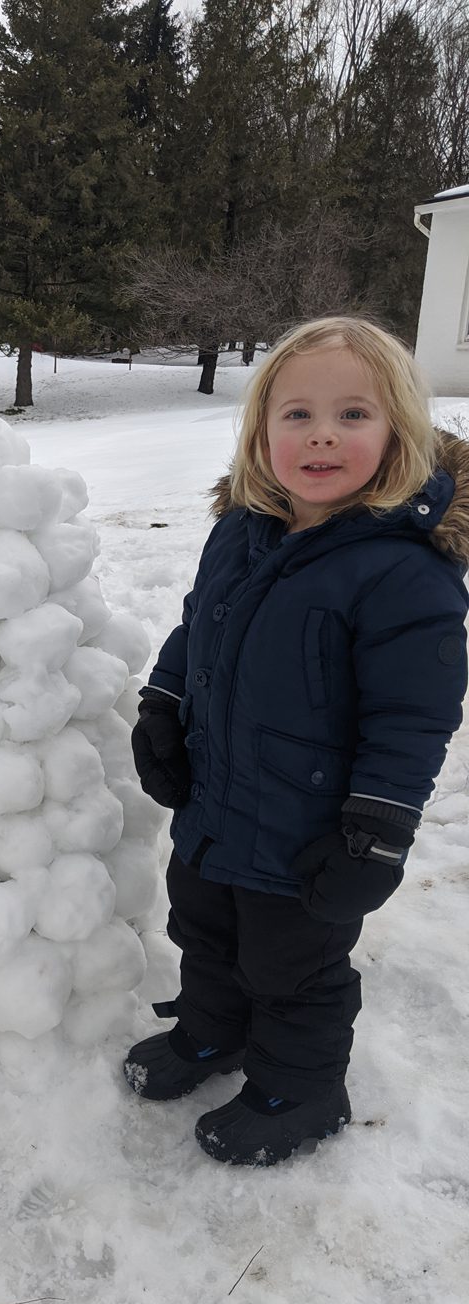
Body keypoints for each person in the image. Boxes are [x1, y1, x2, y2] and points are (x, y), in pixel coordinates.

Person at [125, 317, 469, 1167]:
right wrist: (164, 702)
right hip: (215, 802)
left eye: (354, 414)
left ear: (398, 434)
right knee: (202, 929)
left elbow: (412, 719)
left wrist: (376, 833)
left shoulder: (404, 574)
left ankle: (303, 1089)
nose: (321, 432)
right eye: (297, 413)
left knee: (294, 967)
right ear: (261, 431)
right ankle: (213, 1032)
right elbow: (196, 629)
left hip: (311, 832)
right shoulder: (240, 531)